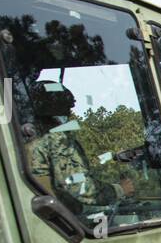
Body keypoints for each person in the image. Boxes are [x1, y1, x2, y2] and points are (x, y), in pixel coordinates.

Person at [25, 80, 106, 210]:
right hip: (62, 222)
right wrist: (119, 190)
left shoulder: (29, 140)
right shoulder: (54, 142)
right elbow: (79, 188)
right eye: (67, 108)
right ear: (54, 110)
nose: (69, 114)